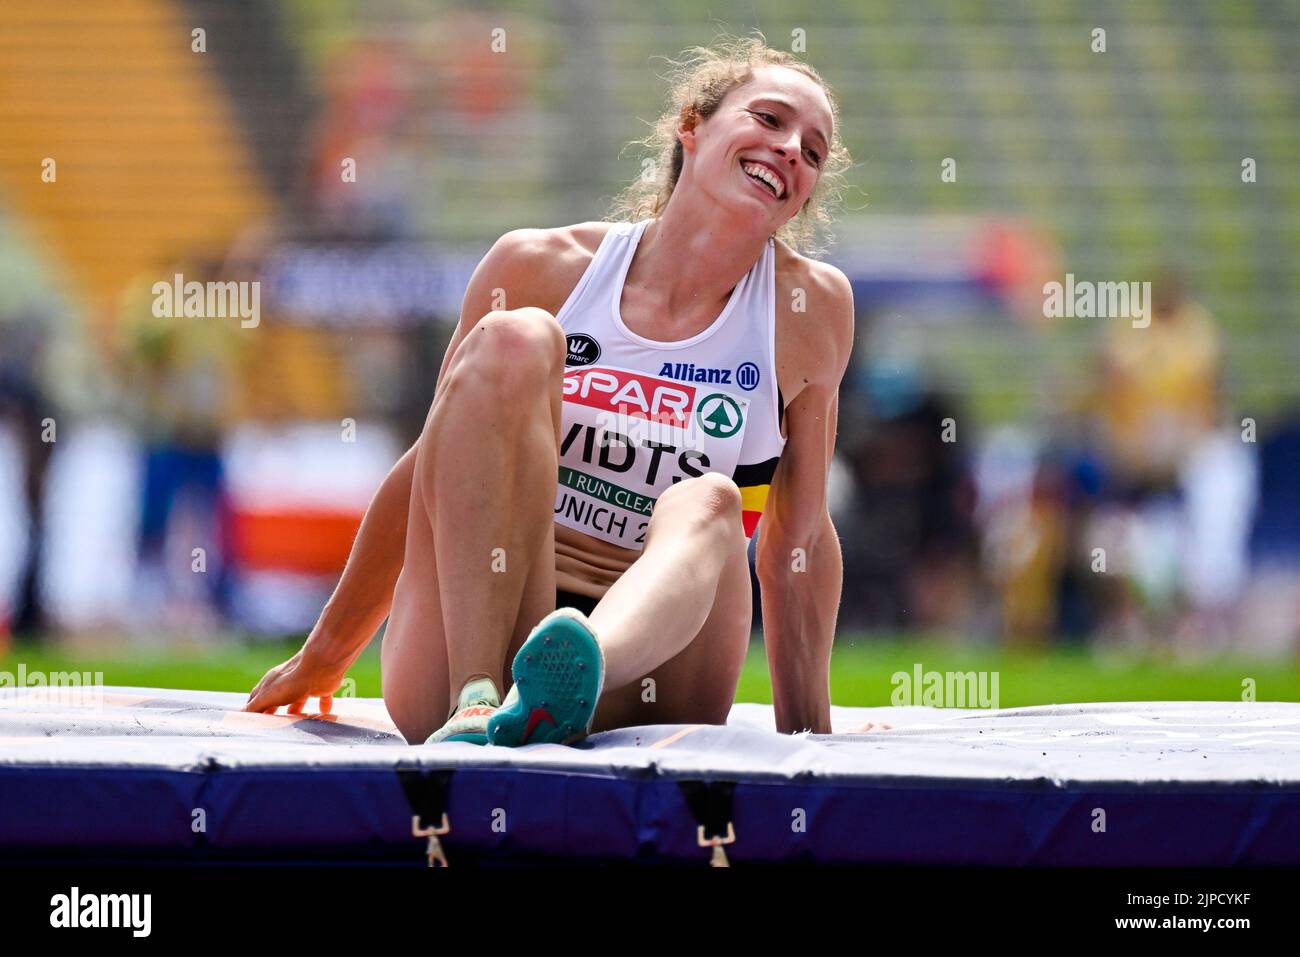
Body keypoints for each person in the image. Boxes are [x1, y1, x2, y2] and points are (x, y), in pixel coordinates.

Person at [245, 37, 856, 744]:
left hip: (654, 669)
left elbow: (797, 539)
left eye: (813, 152)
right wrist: (323, 657)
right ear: (691, 126)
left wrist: (812, 746)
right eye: (771, 120)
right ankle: (477, 702)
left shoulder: (809, 310)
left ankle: (575, 670)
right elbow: (430, 471)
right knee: (516, 338)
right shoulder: (538, 265)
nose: (790, 150)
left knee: (712, 498)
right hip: (483, 632)